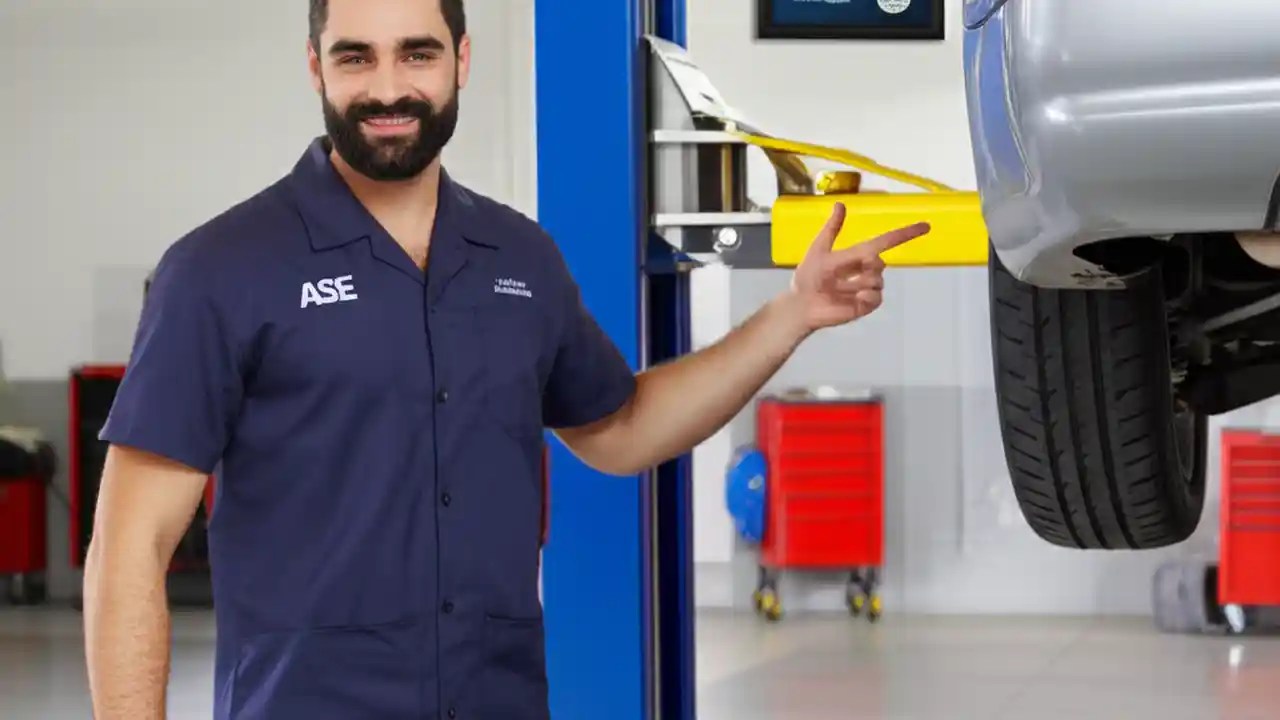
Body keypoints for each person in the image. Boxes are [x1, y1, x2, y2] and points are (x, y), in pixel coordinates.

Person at [81, 0, 930, 718]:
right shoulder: (223, 269)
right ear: (315, 67)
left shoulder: (517, 258)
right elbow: (129, 547)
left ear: (461, 59)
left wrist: (792, 315)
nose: (387, 88)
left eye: (417, 53)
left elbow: (623, 425)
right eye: (355, 57)